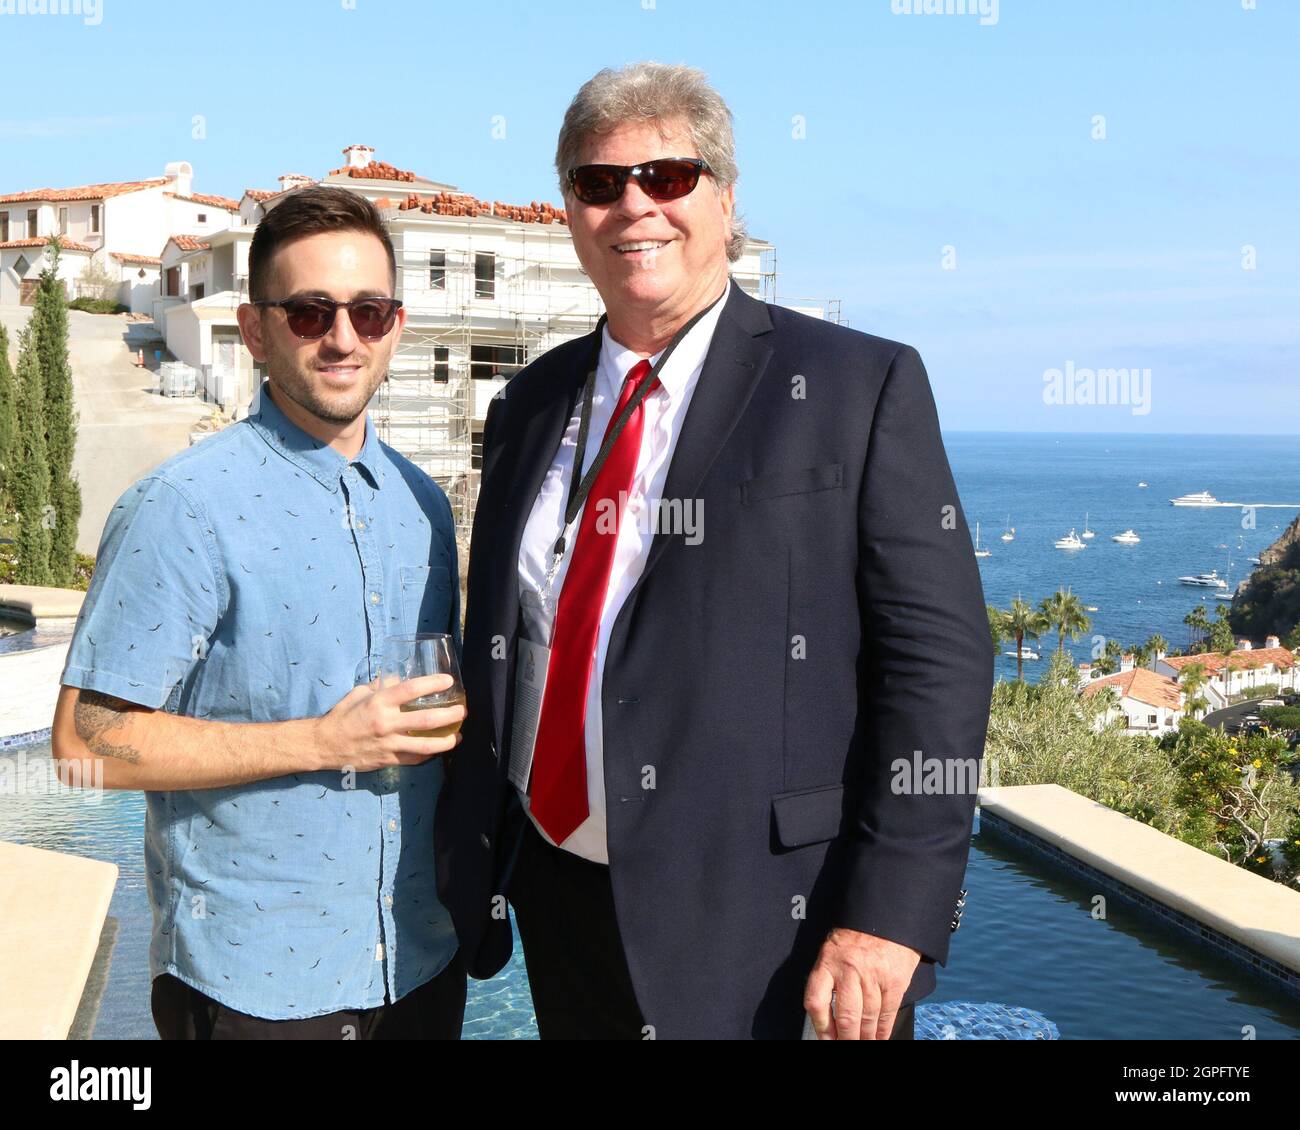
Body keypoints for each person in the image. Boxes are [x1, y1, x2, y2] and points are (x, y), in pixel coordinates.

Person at [438, 61, 993, 1040]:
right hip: (561, 897)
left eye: (668, 176)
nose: (633, 206)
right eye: (598, 183)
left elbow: (937, 666)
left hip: (776, 927)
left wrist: (887, 917)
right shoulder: (527, 405)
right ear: (569, 209)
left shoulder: (855, 386)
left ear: (725, 198)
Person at [52, 185, 469, 1040]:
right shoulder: (184, 507)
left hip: (421, 967)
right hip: (255, 991)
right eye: (311, 311)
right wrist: (322, 741)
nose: (344, 337)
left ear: (397, 323)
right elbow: (80, 745)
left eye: (370, 310)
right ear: (255, 330)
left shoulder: (422, 505)